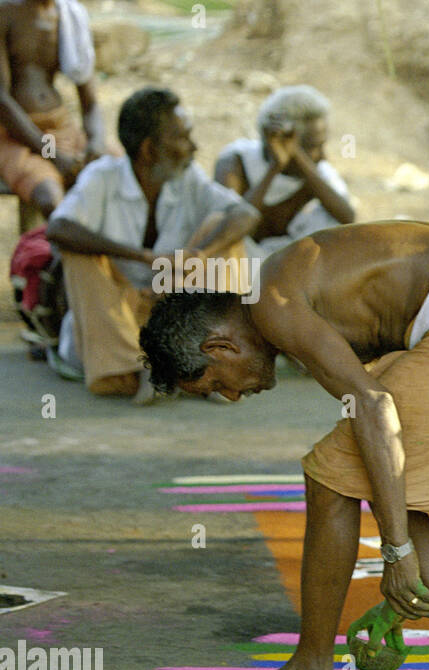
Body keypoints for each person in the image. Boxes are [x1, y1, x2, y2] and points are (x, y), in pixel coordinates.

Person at [138, 221, 429, 670]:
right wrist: (398, 541)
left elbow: (372, 403)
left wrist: (396, 552)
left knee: (330, 478)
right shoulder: (289, 290)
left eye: (216, 385)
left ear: (220, 347)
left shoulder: (271, 303)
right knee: (376, 478)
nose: (231, 397)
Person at [45, 87, 260, 398]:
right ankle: (131, 369)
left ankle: (207, 366)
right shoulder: (102, 177)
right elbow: (58, 228)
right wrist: (146, 257)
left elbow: (245, 213)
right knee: (77, 249)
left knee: (221, 228)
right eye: (183, 137)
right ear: (149, 150)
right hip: (113, 324)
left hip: (168, 313)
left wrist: (200, 255)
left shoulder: (188, 178)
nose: (194, 146)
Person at [213, 84, 354, 258]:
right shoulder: (237, 161)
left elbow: (347, 217)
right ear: (281, 141)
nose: (323, 156)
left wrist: (298, 157)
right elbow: (224, 229)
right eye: (313, 147)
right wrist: (275, 167)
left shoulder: (317, 173)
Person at [0, 0, 106, 217]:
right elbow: (1, 101)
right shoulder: (5, 12)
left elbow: (91, 102)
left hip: (62, 129)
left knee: (121, 174)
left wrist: (95, 143)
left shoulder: (69, 16)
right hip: (14, 137)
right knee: (53, 201)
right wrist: (53, 156)